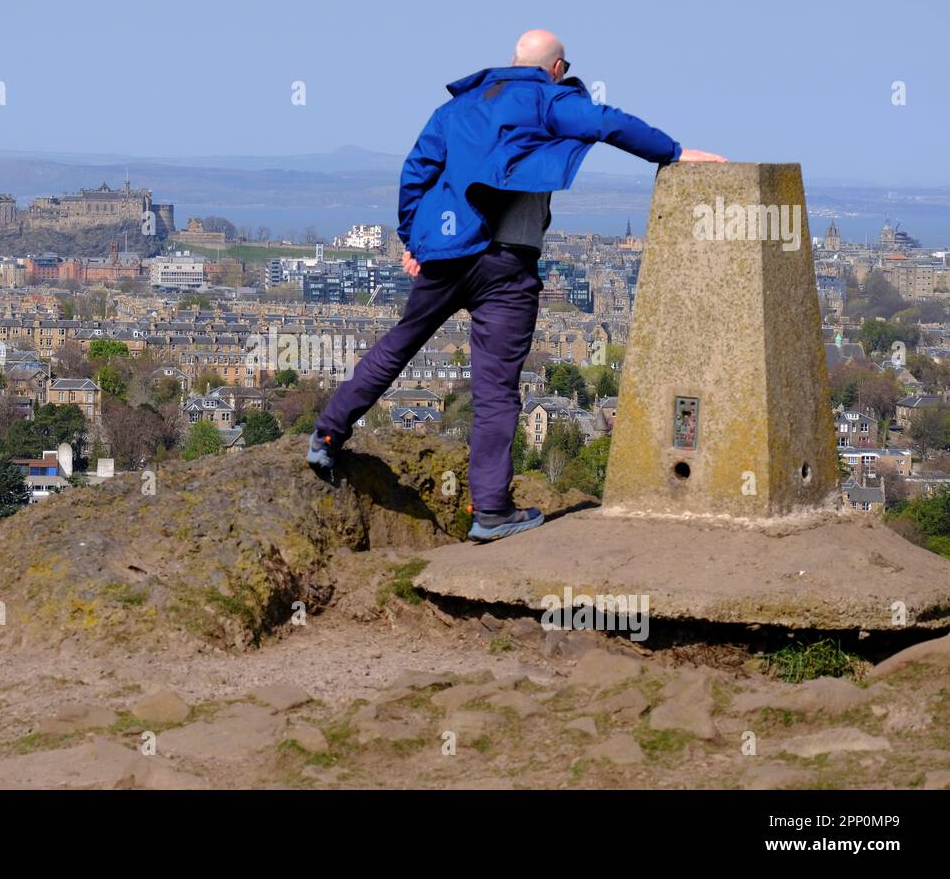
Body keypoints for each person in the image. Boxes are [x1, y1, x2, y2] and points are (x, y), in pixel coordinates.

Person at [307, 29, 726, 542]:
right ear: (556, 67)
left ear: (511, 61)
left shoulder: (458, 108)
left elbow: (416, 169)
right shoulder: (550, 99)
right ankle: (490, 512)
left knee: (399, 344)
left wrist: (414, 240)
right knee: (496, 391)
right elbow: (606, 123)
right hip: (507, 265)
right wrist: (674, 152)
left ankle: (328, 433)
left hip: (447, 254)